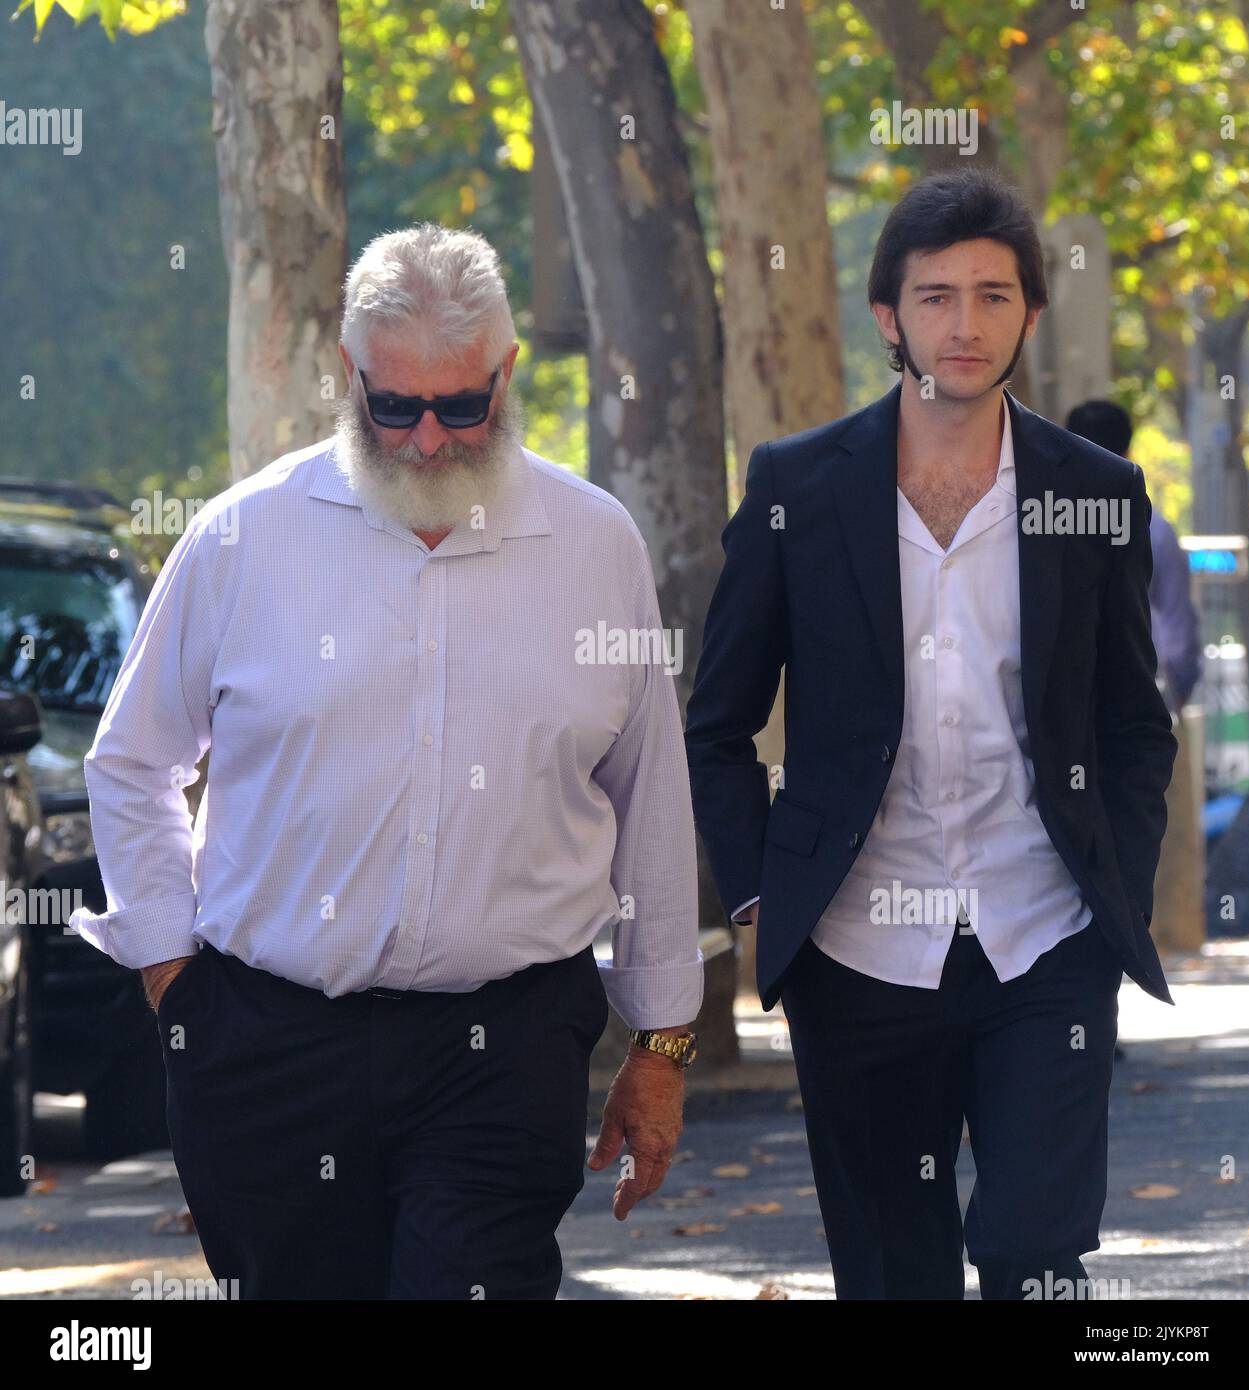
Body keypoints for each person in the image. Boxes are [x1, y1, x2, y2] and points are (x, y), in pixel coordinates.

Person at [70, 223, 702, 1300]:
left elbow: (648, 793)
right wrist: (177, 980)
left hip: (503, 1049)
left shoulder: (597, 547)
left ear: (507, 374)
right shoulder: (239, 540)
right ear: (347, 377)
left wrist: (663, 1042)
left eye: (461, 406)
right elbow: (130, 763)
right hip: (267, 1047)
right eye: (393, 404)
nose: (424, 440)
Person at [684, 169, 1178, 1300]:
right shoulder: (794, 486)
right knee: (890, 1271)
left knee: (1030, 1244)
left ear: (1029, 316)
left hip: (1044, 935)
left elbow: (1130, 722)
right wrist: (762, 893)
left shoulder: (1092, 489)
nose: (965, 324)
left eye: (994, 296)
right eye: (937, 295)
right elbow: (715, 721)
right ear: (885, 317)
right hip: (856, 949)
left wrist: (1119, 887)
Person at [1065, 399, 1201, 715]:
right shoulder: (1154, 529)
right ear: (1128, 450)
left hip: (1059, 710)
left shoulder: (1039, 521)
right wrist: (1171, 698)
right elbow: (1179, 628)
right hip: (1136, 705)